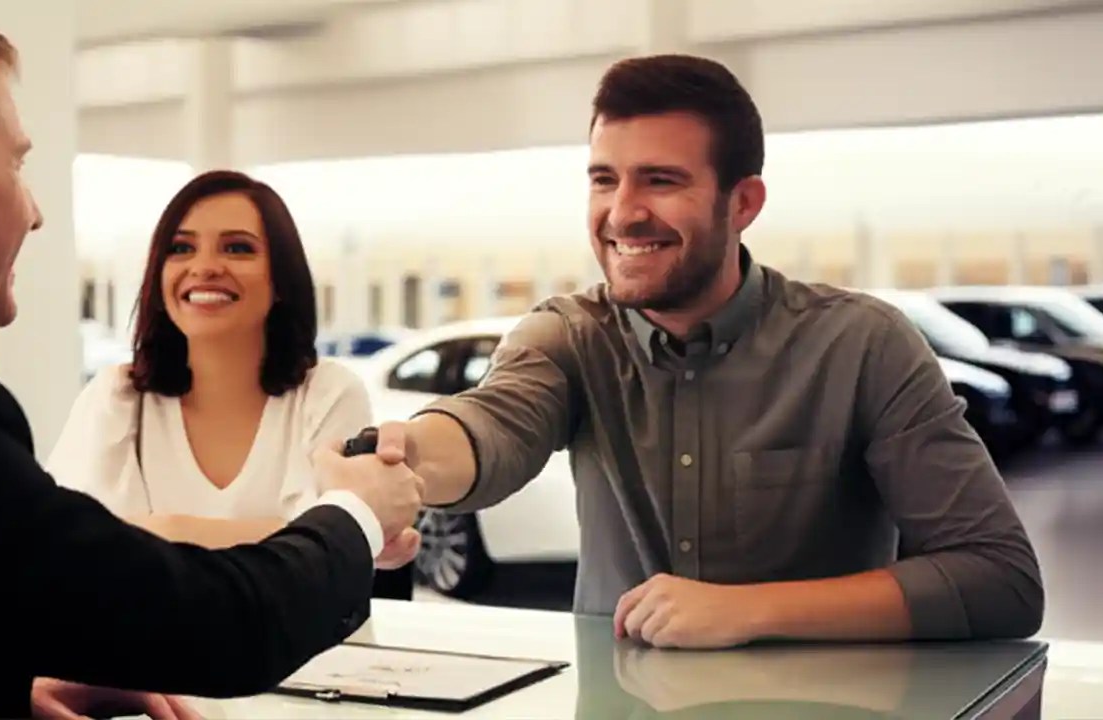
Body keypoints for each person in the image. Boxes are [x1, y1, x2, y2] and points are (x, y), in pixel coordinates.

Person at [0, 2, 423, 717]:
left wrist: (3, 694)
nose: (35, 212)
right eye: (18, 164)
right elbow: (217, 625)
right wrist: (358, 510)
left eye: (237, 247)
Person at [371, 53, 1044, 648]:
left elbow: (999, 579)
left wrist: (748, 612)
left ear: (743, 201)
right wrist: (405, 458)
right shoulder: (571, 336)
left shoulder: (862, 344)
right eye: (604, 180)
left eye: (660, 181)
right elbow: (495, 422)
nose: (622, 213)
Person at [47, 169, 416, 598]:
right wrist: (279, 537)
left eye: (238, 248)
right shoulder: (117, 397)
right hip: (143, 660)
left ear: (281, 279)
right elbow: (70, 552)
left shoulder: (329, 394)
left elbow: (327, 557)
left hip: (304, 662)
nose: (204, 267)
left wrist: (162, 531)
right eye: (181, 248)